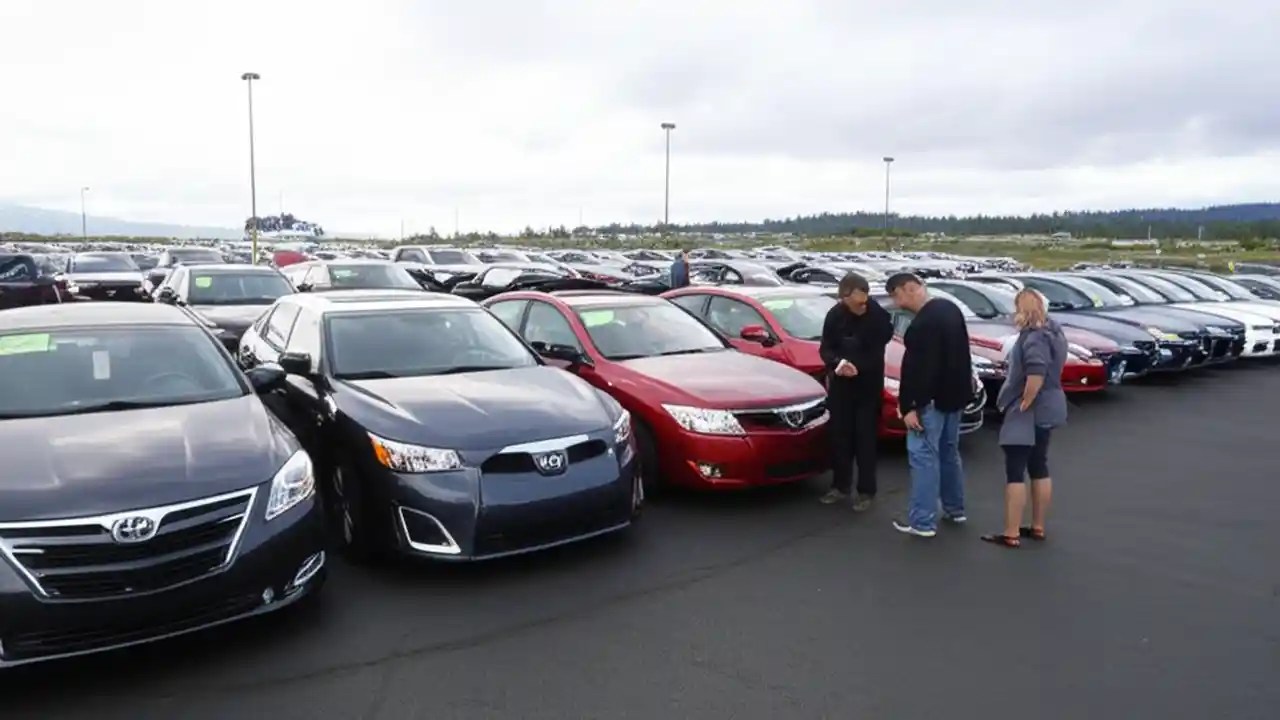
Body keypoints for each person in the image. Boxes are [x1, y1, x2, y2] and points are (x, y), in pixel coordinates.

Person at [886, 272, 973, 538]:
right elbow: (962, 355)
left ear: (907, 289)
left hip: (930, 403)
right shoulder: (950, 310)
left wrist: (911, 406)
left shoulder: (922, 325)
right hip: (954, 397)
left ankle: (922, 521)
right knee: (949, 453)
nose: (896, 303)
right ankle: (955, 508)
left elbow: (918, 370)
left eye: (896, 296)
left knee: (923, 457)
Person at [982, 289, 1068, 548]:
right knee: (1039, 465)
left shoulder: (1034, 337)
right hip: (1050, 406)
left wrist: (1023, 402)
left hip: (1029, 410)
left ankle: (1011, 532)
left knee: (1015, 470)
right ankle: (1038, 527)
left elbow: (1036, 372)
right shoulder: (1056, 331)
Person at [818, 272, 895, 511]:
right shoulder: (835, 315)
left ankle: (866, 491)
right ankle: (840, 486)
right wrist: (838, 363)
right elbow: (825, 348)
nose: (860, 306)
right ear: (844, 296)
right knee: (840, 437)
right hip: (841, 386)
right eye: (855, 302)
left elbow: (878, 347)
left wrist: (858, 367)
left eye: (863, 301)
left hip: (867, 387)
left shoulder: (877, 316)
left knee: (865, 439)